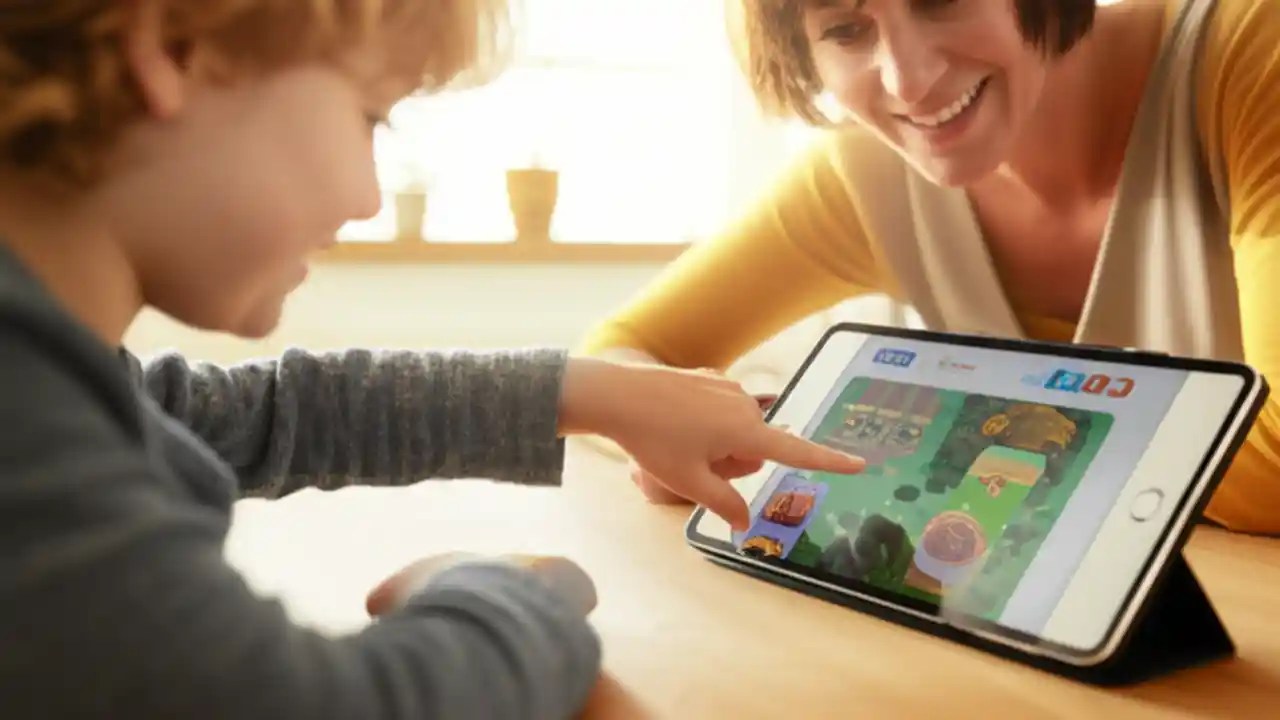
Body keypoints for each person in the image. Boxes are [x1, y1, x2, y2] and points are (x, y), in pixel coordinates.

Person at [0, 1, 868, 718]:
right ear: (174, 51)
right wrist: (500, 589)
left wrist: (578, 392)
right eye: (369, 114)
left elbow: (263, 417)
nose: (369, 194)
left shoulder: (56, 379)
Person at [580, 0, 1280, 535]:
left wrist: (910, 440)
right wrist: (671, 431)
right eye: (847, 29)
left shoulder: (1252, 49)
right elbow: (619, 360)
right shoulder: (865, 178)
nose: (909, 83)